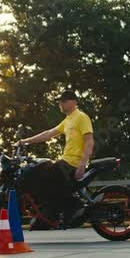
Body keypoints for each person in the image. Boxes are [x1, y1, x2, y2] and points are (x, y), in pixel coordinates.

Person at [17, 89, 95, 226]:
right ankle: (52, 212)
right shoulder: (68, 120)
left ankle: (69, 208)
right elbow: (48, 134)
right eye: (60, 101)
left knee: (43, 177)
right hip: (66, 161)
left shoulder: (81, 117)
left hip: (73, 163)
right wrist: (24, 141)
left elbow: (89, 141)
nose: (60, 104)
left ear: (73, 102)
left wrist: (82, 165)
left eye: (63, 101)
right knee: (42, 172)